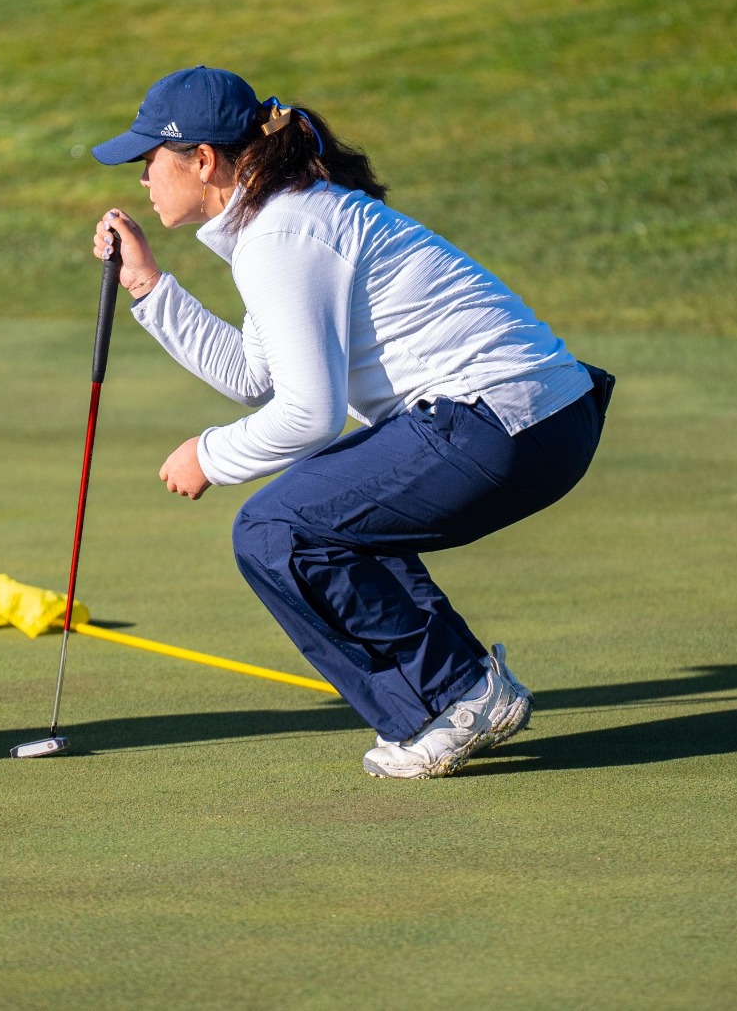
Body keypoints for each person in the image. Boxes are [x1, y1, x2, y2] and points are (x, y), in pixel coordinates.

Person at [89, 66, 613, 779]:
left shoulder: (282, 234)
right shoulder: (280, 221)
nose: (143, 177)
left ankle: (457, 698)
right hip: (542, 419)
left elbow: (309, 415)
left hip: (501, 418)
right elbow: (253, 377)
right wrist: (147, 285)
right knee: (319, 512)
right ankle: (456, 693)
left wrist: (208, 456)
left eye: (150, 158)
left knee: (275, 529)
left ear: (202, 160)